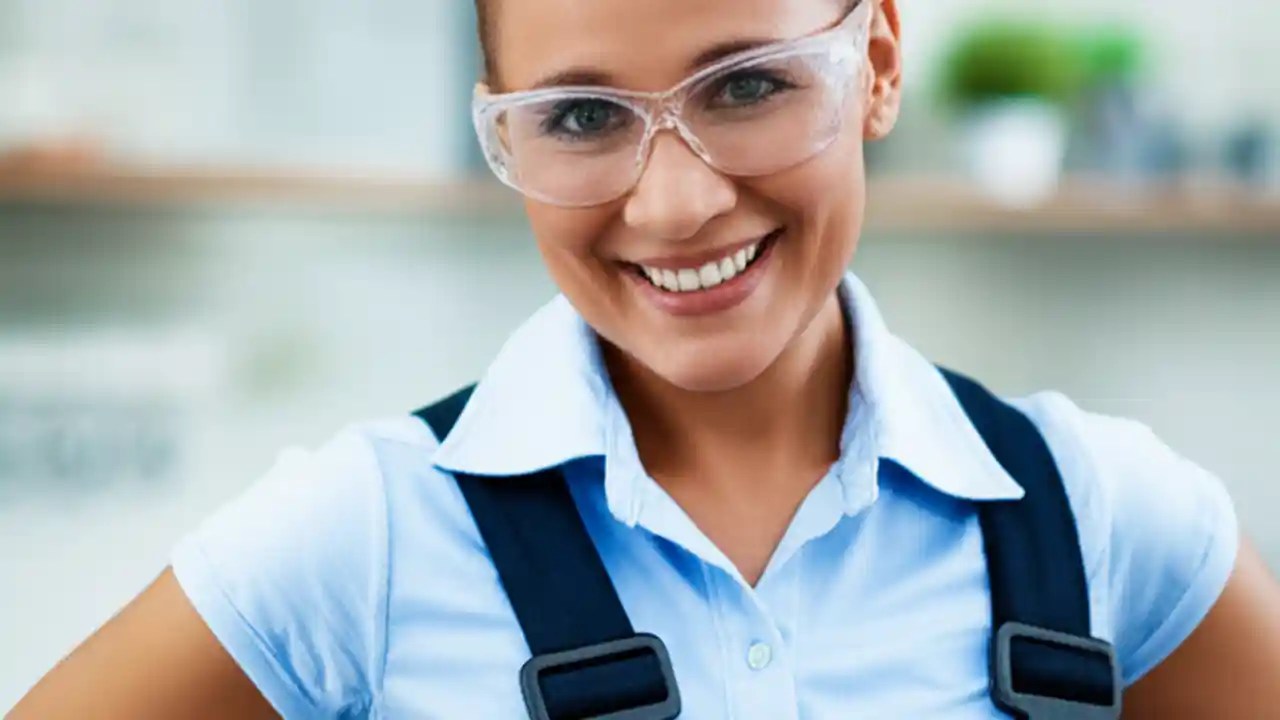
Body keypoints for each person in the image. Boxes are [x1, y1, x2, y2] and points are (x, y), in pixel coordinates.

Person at [11, 0, 1280, 717]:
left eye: (746, 88)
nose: (674, 206)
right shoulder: (361, 539)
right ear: (498, 134)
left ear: (877, 64)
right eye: (577, 117)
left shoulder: (1109, 521)